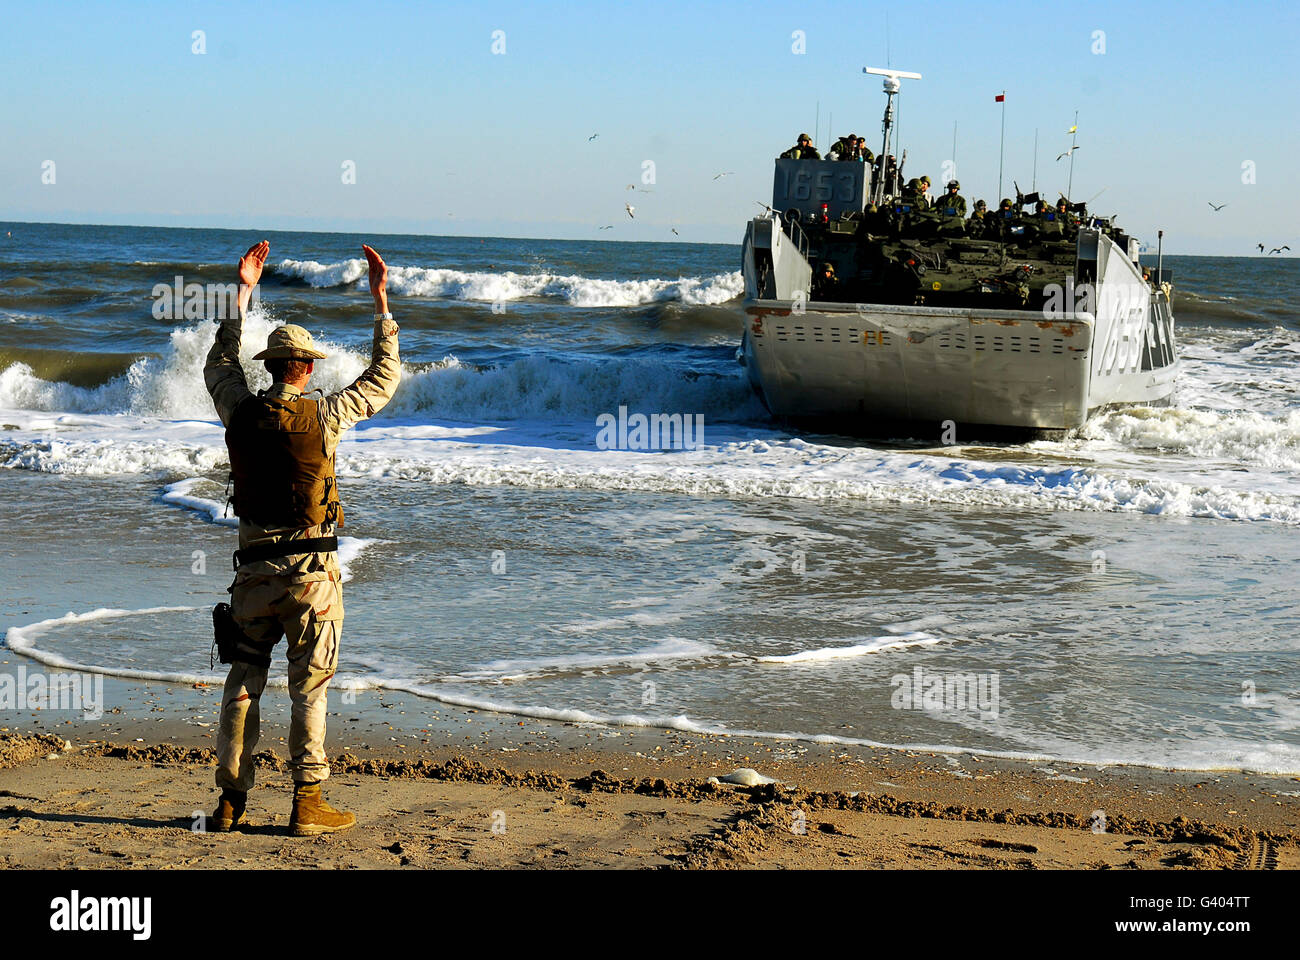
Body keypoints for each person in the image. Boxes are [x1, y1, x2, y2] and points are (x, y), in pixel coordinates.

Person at [204, 240, 401, 836]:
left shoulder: (238, 410)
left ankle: (230, 804)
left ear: (270, 366)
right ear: (308, 367)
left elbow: (217, 362)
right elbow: (385, 378)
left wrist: (243, 291)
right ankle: (307, 803)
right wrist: (380, 301)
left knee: (242, 685)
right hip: (312, 578)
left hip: (252, 576)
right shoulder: (326, 415)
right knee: (308, 687)